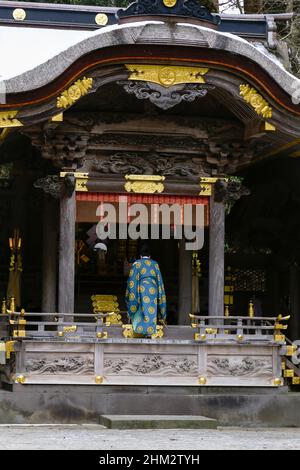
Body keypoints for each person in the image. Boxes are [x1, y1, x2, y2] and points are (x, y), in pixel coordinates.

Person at [125, 245, 167, 336]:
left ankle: (138, 330)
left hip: (140, 289)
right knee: (151, 309)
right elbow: (160, 280)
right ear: (150, 256)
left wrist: (131, 292)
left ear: (140, 256)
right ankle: (149, 331)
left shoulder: (137, 263)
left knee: (139, 308)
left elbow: (132, 280)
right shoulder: (155, 264)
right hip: (153, 289)